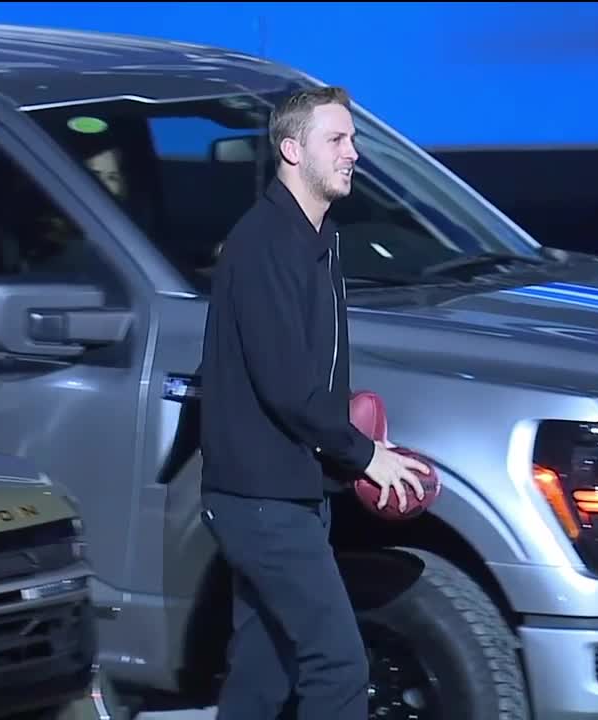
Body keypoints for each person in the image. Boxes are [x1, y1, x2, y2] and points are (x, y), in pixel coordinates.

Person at [198, 85, 431, 720]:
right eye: (338, 140)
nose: (353, 152)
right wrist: (364, 457)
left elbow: (314, 380)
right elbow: (285, 385)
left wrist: (356, 444)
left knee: (262, 671)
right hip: (261, 502)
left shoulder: (318, 239)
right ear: (292, 150)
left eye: (353, 139)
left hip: (289, 494)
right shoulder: (265, 244)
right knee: (338, 666)